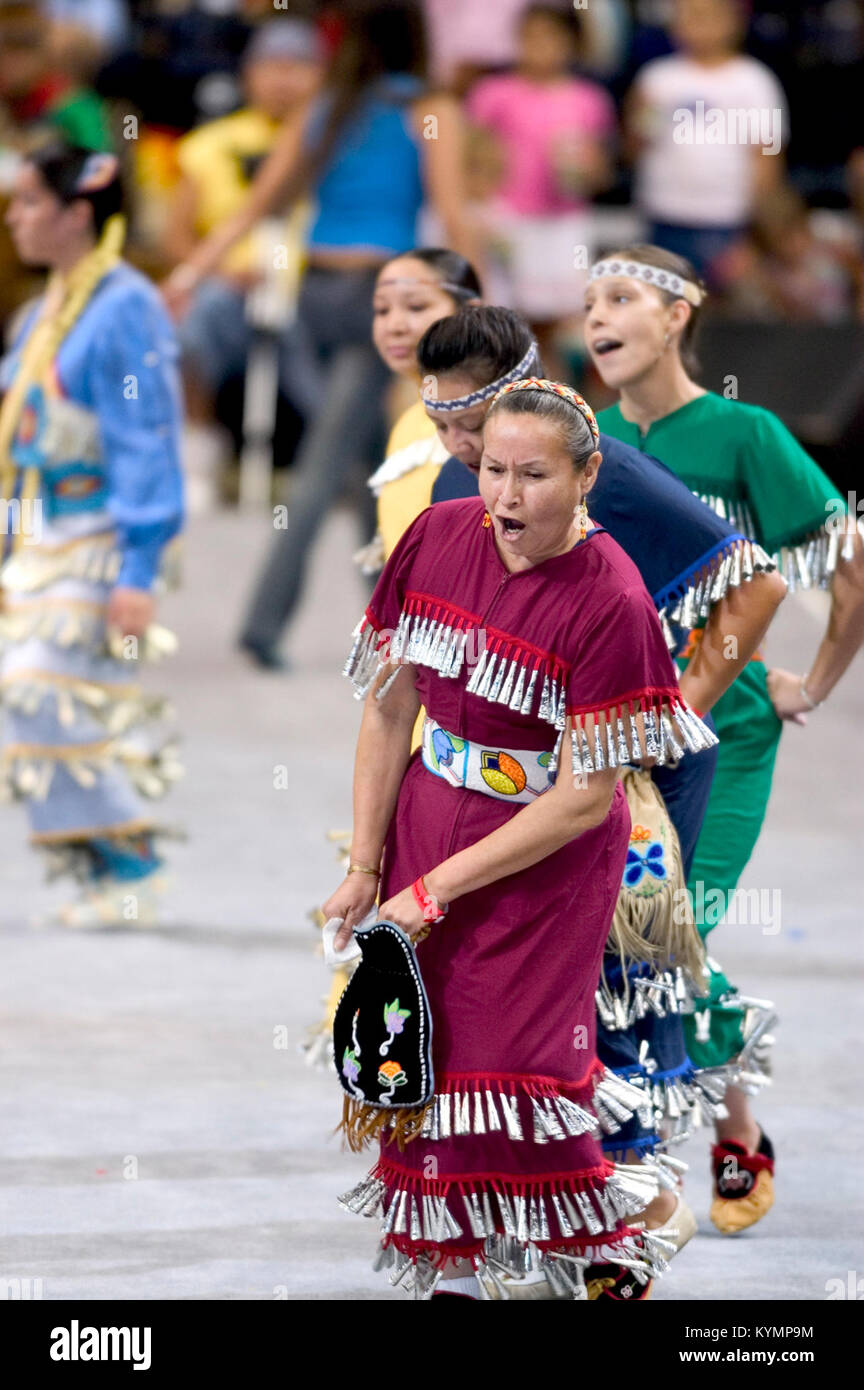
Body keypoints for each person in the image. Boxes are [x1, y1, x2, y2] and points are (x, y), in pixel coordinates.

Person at [324, 378, 720, 1299]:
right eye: (493, 468)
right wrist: (365, 865)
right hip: (428, 817)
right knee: (432, 1058)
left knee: (520, 1067)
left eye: (534, 475)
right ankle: (456, 1274)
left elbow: (584, 800)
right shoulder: (434, 536)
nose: (505, 496)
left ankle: (624, 1233)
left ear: (587, 477)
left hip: (544, 858)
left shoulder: (611, 597)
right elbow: (389, 710)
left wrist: (433, 891)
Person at [584, 242, 864, 1233]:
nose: (597, 316)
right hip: (613, 735)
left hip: (723, 732)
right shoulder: (589, 443)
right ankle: (678, 1129)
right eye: (588, 302)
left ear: (679, 313)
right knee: (623, 934)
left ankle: (729, 1128)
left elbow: (849, 564)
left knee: (677, 928)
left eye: (620, 296)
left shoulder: (744, 432)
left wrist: (814, 684)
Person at [163, 0, 479, 670]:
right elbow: (451, 213)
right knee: (325, 466)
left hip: (315, 294)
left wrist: (191, 273)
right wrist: (482, 304)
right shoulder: (429, 109)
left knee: (365, 456)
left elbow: (257, 206)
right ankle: (263, 621)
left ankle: (390, 625)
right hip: (381, 296)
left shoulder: (326, 107)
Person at [0, 143, 184, 927]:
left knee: (38, 682)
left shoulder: (125, 304)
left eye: (30, 202)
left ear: (78, 214)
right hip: (37, 529)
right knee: (29, 692)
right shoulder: (41, 307)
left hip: (100, 528)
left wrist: (138, 568)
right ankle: (99, 862)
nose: (14, 217)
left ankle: (127, 857)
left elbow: (147, 434)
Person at [166, 17, 327, 513]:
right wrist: (217, 273)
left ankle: (332, 465)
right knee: (190, 322)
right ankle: (197, 460)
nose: (284, 80)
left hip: (311, 290)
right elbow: (175, 235)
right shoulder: (209, 144)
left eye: (298, 67)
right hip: (229, 289)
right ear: (247, 75)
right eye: (271, 67)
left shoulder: (333, 143)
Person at [466, 3, 615, 376]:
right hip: (509, 220)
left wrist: (588, 170)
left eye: (553, 38)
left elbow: (602, 171)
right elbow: (472, 158)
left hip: (564, 225)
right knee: (509, 323)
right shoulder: (492, 93)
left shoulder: (589, 99)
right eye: (531, 37)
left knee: (562, 324)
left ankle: (560, 404)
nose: (541, 47)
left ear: (573, 45)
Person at [625, 0, 787, 282]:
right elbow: (633, 149)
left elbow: (768, 156)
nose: (697, 24)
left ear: (734, 22)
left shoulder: (756, 82)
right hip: (664, 215)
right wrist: (637, 120)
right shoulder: (656, 79)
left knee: (723, 315)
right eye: (687, 15)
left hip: (728, 220)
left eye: (707, 15)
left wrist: (754, 234)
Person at [365, 246, 483, 568]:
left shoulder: (495, 419)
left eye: (416, 306)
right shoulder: (407, 422)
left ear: (470, 312)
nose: (395, 325)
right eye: (382, 310)